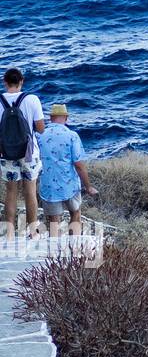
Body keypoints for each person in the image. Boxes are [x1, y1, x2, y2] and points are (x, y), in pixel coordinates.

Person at [37, 103, 96, 238]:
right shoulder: (72, 135)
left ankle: (54, 254)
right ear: (66, 117)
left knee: (53, 221)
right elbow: (79, 165)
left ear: (51, 118)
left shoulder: (40, 135)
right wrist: (88, 186)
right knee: (75, 213)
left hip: (48, 184)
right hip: (69, 184)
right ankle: (73, 248)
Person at [1, 68, 45, 239]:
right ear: (21, 81)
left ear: (5, 82)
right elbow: (40, 129)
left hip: (5, 153)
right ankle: (33, 232)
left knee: (10, 191)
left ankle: (9, 232)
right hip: (29, 152)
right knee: (30, 190)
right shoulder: (31, 99)